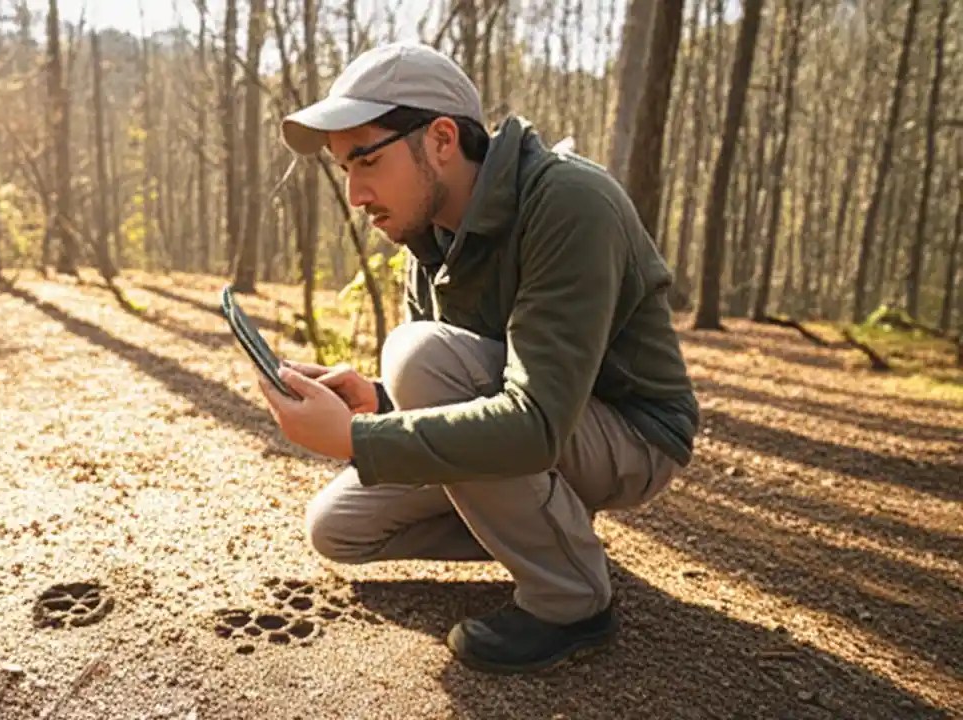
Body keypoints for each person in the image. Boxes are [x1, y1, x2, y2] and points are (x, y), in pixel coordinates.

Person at [253, 41, 699, 674]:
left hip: (630, 437)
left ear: (441, 139)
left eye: (367, 160)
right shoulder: (428, 236)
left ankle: (571, 600)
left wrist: (356, 439)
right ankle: (556, 533)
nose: (355, 193)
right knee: (339, 527)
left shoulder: (570, 202)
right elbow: (464, 376)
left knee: (416, 352)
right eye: (344, 168)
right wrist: (376, 398)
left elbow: (534, 422)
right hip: (543, 427)